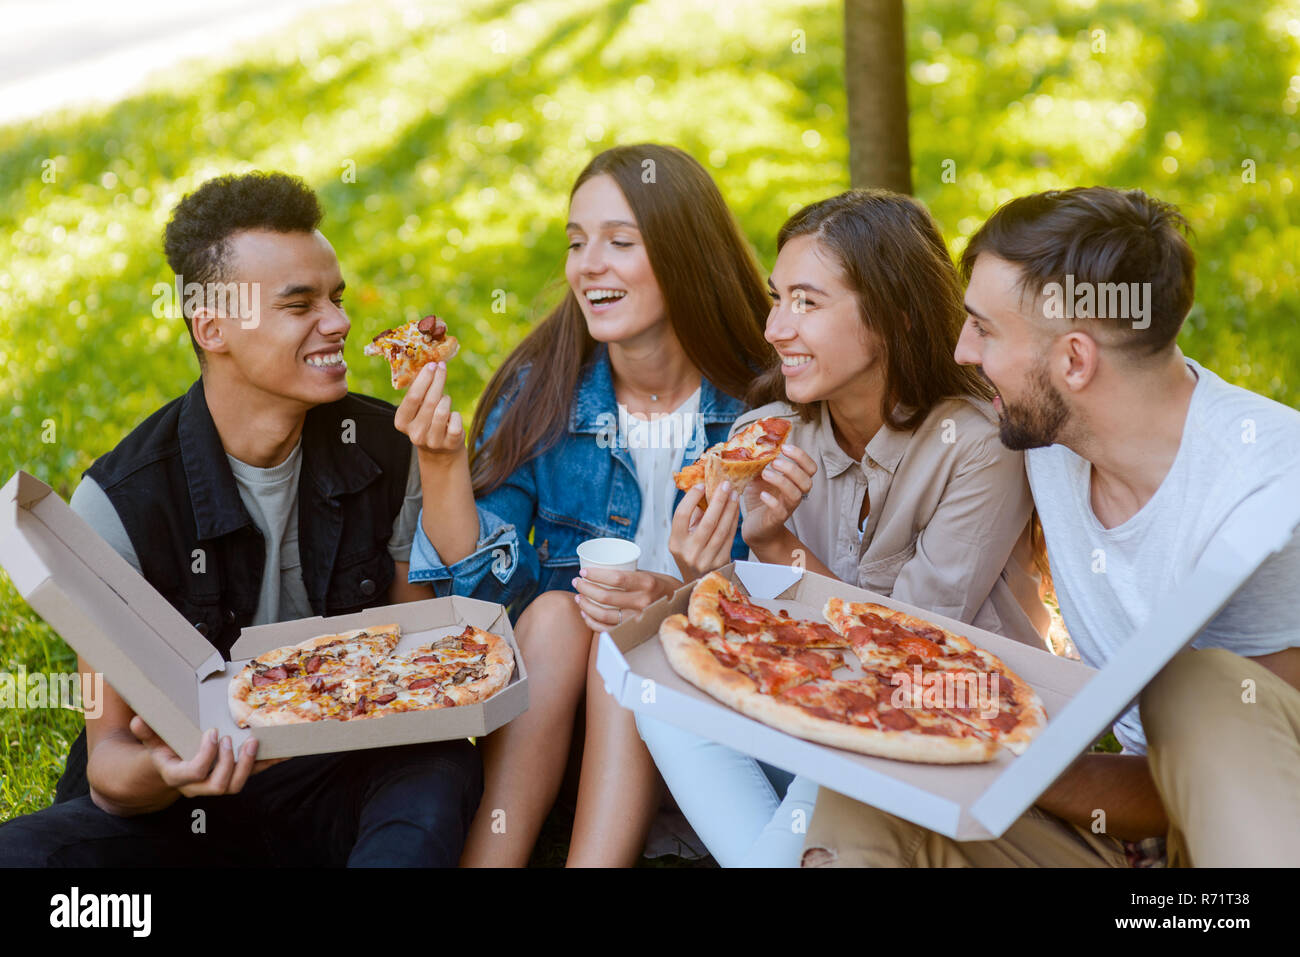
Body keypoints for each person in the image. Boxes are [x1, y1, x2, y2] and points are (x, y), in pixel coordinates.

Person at [803, 186, 1300, 868]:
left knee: (1199, 687)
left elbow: (1250, 773)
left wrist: (1021, 752)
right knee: (873, 784)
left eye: (984, 329)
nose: (962, 352)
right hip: (1125, 835)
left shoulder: (1269, 489)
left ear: (1073, 361)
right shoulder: (1043, 439)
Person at [0, 171, 482, 867]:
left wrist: (441, 467)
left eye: (337, 298)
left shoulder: (388, 447)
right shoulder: (119, 503)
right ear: (212, 326)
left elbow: (416, 675)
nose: (340, 322)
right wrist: (169, 770)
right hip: (186, 813)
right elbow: (108, 760)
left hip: (342, 783)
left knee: (439, 770)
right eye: (301, 304)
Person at [633, 188, 1052, 866]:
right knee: (660, 686)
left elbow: (903, 652)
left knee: (837, 737)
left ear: (897, 316)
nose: (774, 329)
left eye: (806, 302)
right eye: (777, 298)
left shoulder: (976, 447)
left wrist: (775, 544)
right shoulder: (760, 438)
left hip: (954, 725)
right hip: (819, 709)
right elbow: (763, 647)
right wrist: (703, 574)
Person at [400, 143, 773, 866]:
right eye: (576, 243)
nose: (587, 265)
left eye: (618, 242)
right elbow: (485, 596)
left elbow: (782, 601)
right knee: (556, 612)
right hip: (574, 727)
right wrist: (440, 464)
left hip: (725, 703)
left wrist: (670, 596)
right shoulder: (546, 391)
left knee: (629, 631)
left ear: (684, 252)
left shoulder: (762, 406)